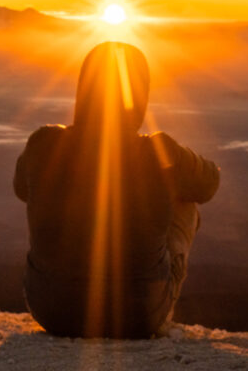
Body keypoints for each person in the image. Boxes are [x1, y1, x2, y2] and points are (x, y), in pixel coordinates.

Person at [14, 41, 220, 338]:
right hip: (137, 318)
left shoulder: (43, 144)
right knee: (186, 203)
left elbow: (22, 189)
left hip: (51, 311)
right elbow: (209, 185)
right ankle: (161, 306)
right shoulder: (159, 152)